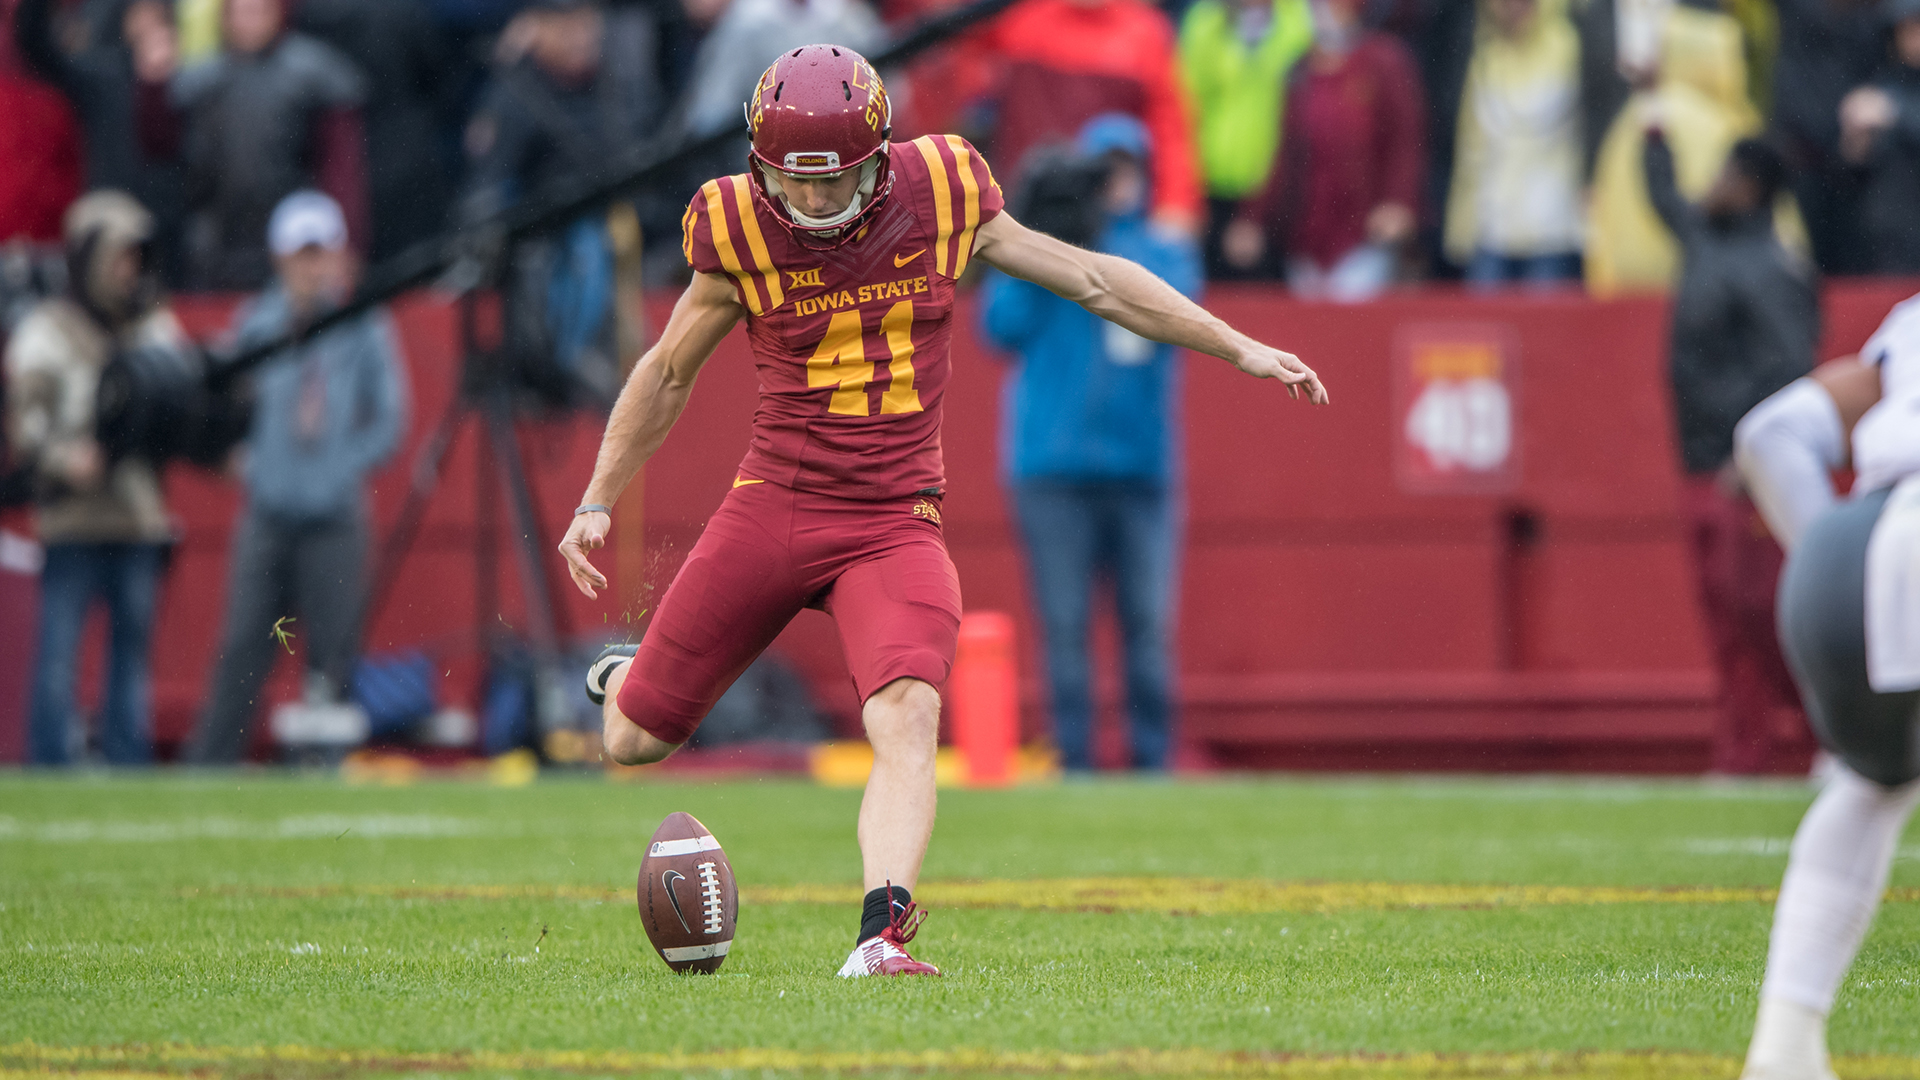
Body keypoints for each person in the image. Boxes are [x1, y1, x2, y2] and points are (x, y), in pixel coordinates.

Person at [557, 45, 1325, 977]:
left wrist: (1235, 345)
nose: (812, 205)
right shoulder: (733, 226)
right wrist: (600, 495)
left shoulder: (944, 189)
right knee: (633, 741)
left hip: (892, 518)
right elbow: (668, 370)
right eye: (794, 186)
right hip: (777, 504)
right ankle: (624, 678)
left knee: (909, 711)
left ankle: (880, 935)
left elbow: (1091, 278)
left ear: (878, 158)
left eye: (835, 182)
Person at [1729, 295, 1920, 1080]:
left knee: (1873, 786)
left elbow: (1767, 435)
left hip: (1849, 550)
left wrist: (1847, 566)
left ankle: (1783, 1050)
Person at [980, 114, 1200, 772]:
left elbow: (1179, 316)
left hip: (1139, 469)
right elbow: (999, 326)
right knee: (1066, 626)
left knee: (1148, 627)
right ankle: (1074, 760)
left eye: (1126, 169)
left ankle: (1151, 760)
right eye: (1102, 171)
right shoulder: (1044, 253)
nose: (1116, 185)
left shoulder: (1160, 252)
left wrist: (1091, 246)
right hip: (1054, 470)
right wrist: (1039, 241)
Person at [182, 191, 406, 765]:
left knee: (333, 654)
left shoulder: (361, 324)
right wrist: (244, 459)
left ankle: (323, 768)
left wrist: (340, 466)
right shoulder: (255, 326)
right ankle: (210, 766)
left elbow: (390, 416)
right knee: (242, 646)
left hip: (334, 516)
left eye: (320, 253)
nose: (311, 267)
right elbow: (222, 410)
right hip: (269, 510)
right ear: (280, 259)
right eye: (301, 254)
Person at [1644, 126, 1819, 775]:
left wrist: (1750, 453)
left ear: (1752, 188)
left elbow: (1788, 365)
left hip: (1740, 470)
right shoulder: (1710, 242)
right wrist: (1653, 129)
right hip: (1699, 460)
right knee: (1724, 615)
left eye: (1725, 174)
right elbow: (1663, 199)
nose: (1711, 185)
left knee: (1760, 610)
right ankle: (1746, 749)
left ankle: (1820, 734)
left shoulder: (1773, 267)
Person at [5, 191, 187, 765]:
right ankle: (50, 762)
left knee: (131, 659)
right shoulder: (50, 330)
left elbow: (188, 404)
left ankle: (127, 762)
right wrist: (63, 458)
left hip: (137, 513)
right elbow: (23, 419)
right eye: (118, 257)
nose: (128, 271)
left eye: (136, 258)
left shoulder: (156, 325)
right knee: (58, 655)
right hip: (73, 516)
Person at [461, 0, 673, 406]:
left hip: (630, 235)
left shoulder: (620, 84)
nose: (580, 37)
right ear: (535, 28)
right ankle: (579, 357)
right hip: (546, 248)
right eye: (565, 25)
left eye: (586, 23)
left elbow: (649, 159)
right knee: (584, 244)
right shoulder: (515, 95)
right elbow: (485, 191)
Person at [1221, 0, 1425, 299]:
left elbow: (1405, 141)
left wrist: (1399, 202)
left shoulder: (1383, 60)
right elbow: (1284, 155)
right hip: (1306, 237)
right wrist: (1253, 218)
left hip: (1364, 235)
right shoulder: (1299, 69)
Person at [172, 0, 367, 290]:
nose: (251, 21)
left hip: (295, 236)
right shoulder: (200, 83)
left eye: (260, 10)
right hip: (221, 244)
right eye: (242, 11)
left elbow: (340, 169)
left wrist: (347, 242)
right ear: (225, 18)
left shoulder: (313, 75)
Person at [971, 0, 1204, 233]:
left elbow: (1169, 128)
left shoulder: (1144, 32)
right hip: (1021, 203)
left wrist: (1175, 203)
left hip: (1105, 214)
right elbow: (961, 75)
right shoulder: (1017, 18)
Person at [13, 0, 186, 280]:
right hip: (109, 234)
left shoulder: (193, 86)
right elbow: (38, 49)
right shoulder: (103, 79)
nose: (150, 27)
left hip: (170, 242)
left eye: (159, 19)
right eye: (141, 16)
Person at [292, 0, 457, 263]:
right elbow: (439, 77)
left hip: (334, 159)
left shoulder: (309, 13)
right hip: (403, 152)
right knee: (410, 271)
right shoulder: (403, 9)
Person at [1442, 0, 1585, 288]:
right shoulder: (1485, 59)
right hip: (1493, 227)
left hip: (1553, 228)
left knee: (1545, 329)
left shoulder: (1570, 48)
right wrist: (1460, 228)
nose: (1511, 7)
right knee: (1485, 329)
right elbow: (1471, 149)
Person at [1176, 0, 1313, 278]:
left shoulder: (1301, 19)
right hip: (1210, 182)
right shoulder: (1205, 20)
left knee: (1270, 293)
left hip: (1278, 186)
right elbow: (1184, 105)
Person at [1837, 0, 1920, 274]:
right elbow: (1852, 178)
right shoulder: (1884, 83)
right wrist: (1855, 147)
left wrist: (1896, 113)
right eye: (1905, 29)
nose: (1912, 38)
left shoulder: (1888, 100)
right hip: (1887, 242)